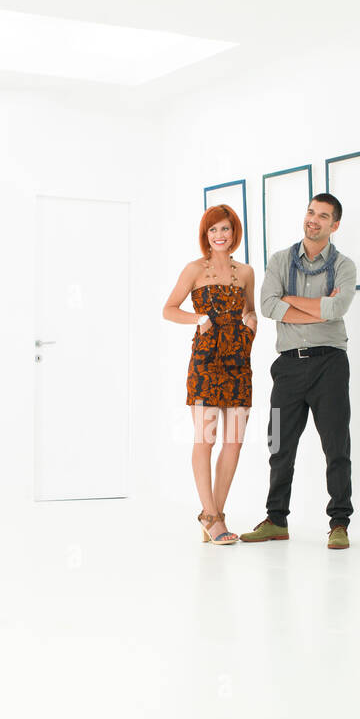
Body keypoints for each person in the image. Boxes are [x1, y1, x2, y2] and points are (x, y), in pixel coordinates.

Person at [240, 194, 357, 549]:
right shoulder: (279, 260)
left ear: (334, 225)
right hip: (287, 366)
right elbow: (267, 305)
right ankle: (276, 519)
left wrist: (291, 300)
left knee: (336, 445)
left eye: (323, 216)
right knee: (278, 442)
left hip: (330, 364)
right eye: (310, 212)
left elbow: (337, 307)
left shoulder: (344, 266)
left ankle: (339, 523)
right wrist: (320, 310)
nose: (313, 220)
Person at [162, 204, 257, 544]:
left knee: (234, 441)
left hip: (238, 362)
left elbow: (251, 311)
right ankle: (210, 515)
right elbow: (168, 309)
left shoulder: (245, 272)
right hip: (205, 361)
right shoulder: (194, 269)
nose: (220, 235)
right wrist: (197, 320)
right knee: (206, 438)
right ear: (205, 234)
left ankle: (216, 513)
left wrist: (250, 328)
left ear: (235, 233)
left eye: (225, 229)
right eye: (213, 229)